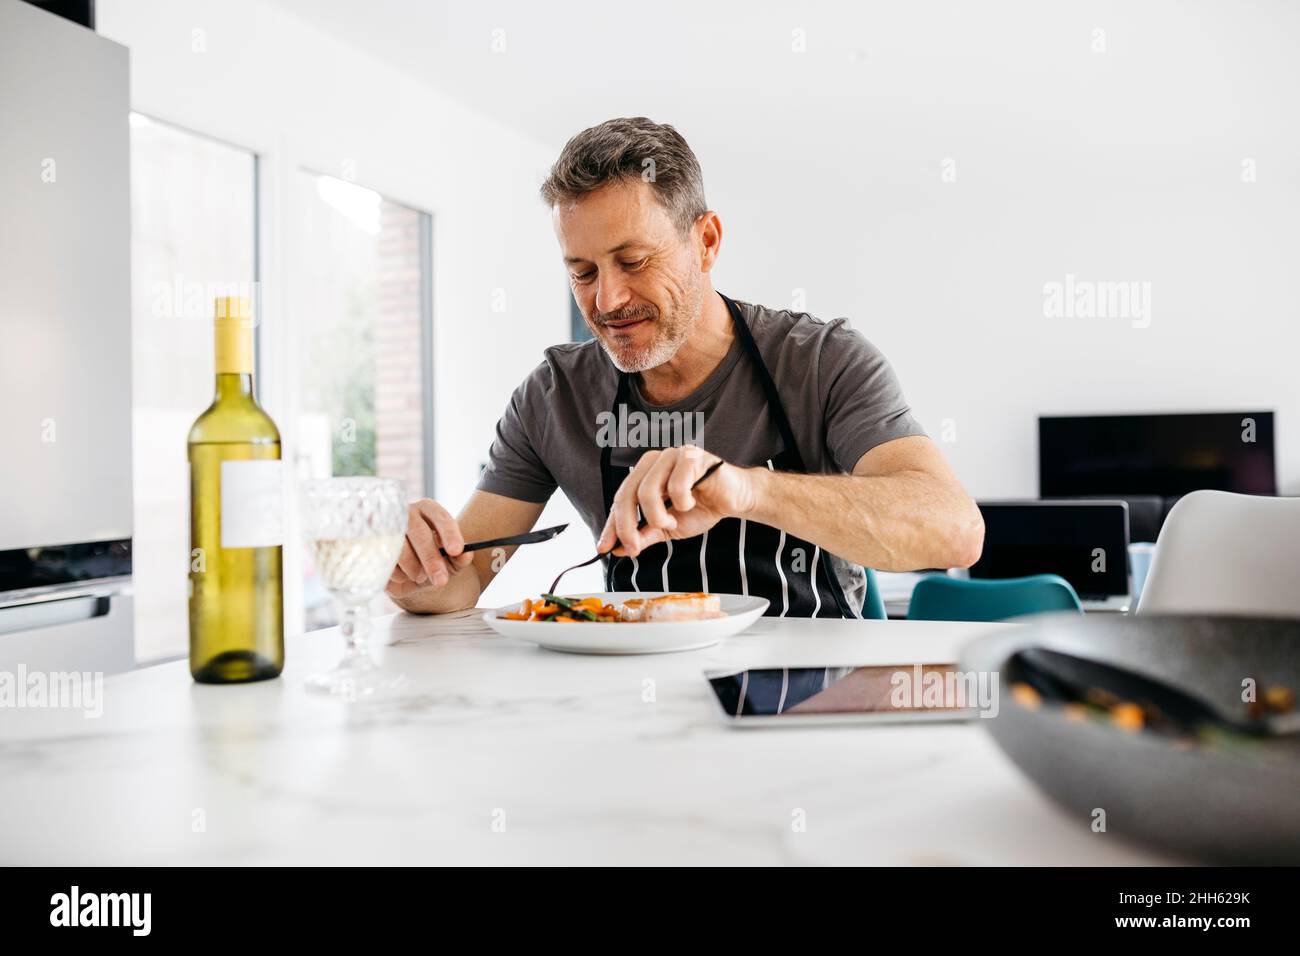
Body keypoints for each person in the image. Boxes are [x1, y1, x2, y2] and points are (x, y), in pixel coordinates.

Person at [387, 117, 983, 618]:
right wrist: (414, 563)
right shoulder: (554, 396)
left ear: (706, 241)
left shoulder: (822, 361)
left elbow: (955, 530)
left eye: (634, 260)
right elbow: (462, 581)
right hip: (643, 704)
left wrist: (746, 489)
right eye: (583, 272)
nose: (609, 301)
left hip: (812, 693)